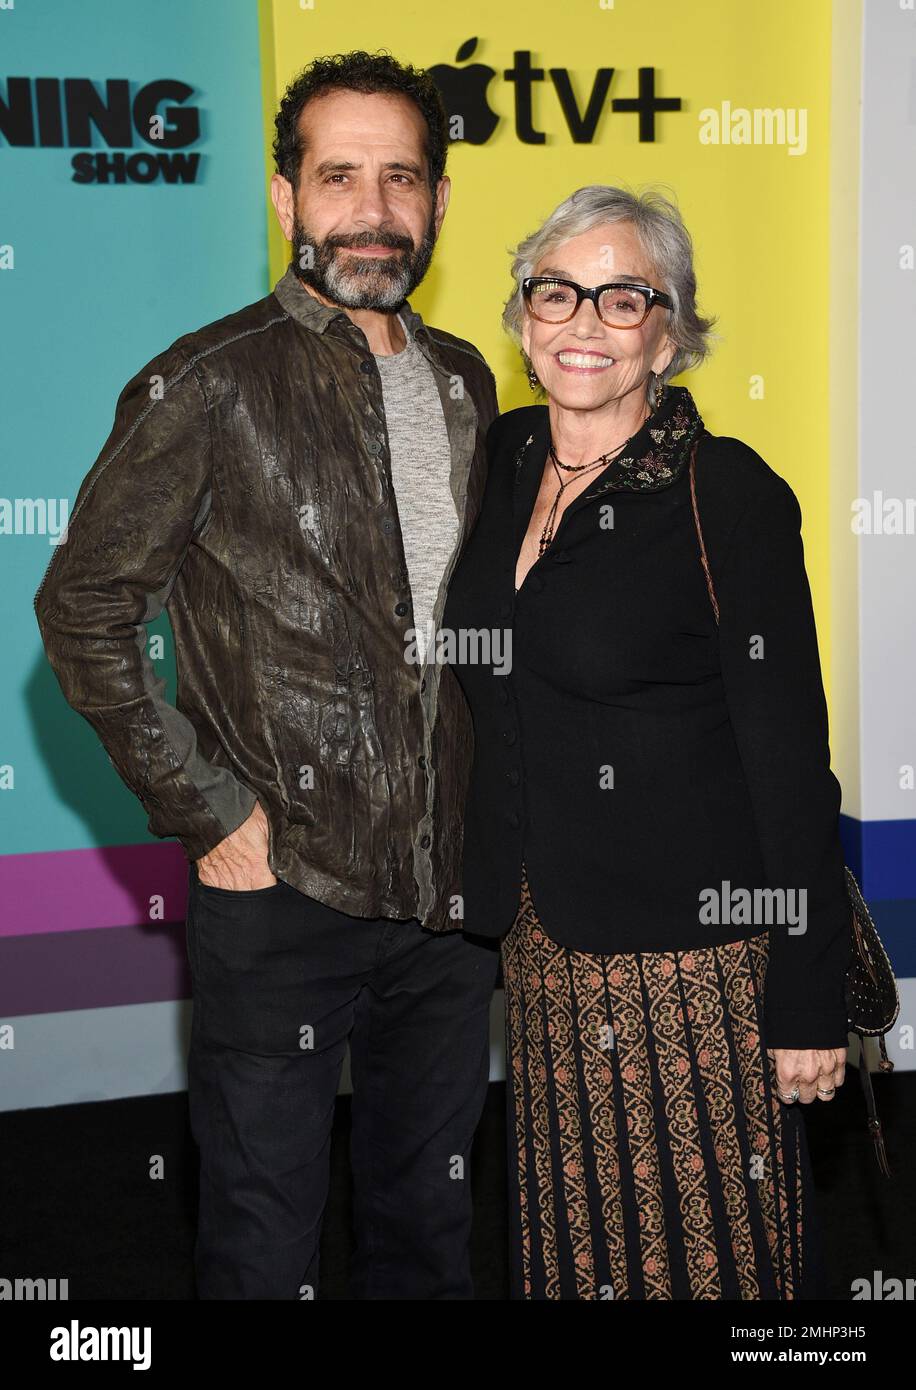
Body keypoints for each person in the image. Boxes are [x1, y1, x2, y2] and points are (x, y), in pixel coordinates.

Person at [33, 51, 500, 1301]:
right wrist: (211, 810)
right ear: (286, 201)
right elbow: (81, 602)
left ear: (439, 202)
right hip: (280, 888)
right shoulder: (209, 377)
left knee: (427, 1234)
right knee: (259, 1245)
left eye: (400, 175)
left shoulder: (465, 379)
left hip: (449, 903)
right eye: (337, 175)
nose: (372, 207)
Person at [442, 184, 851, 1300]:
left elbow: (788, 763)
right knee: (577, 1248)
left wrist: (805, 998)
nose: (584, 322)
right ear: (522, 317)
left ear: (669, 332)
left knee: (703, 1252)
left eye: (624, 298)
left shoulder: (727, 493)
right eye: (556, 292)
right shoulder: (506, 457)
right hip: (541, 947)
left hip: (693, 965)